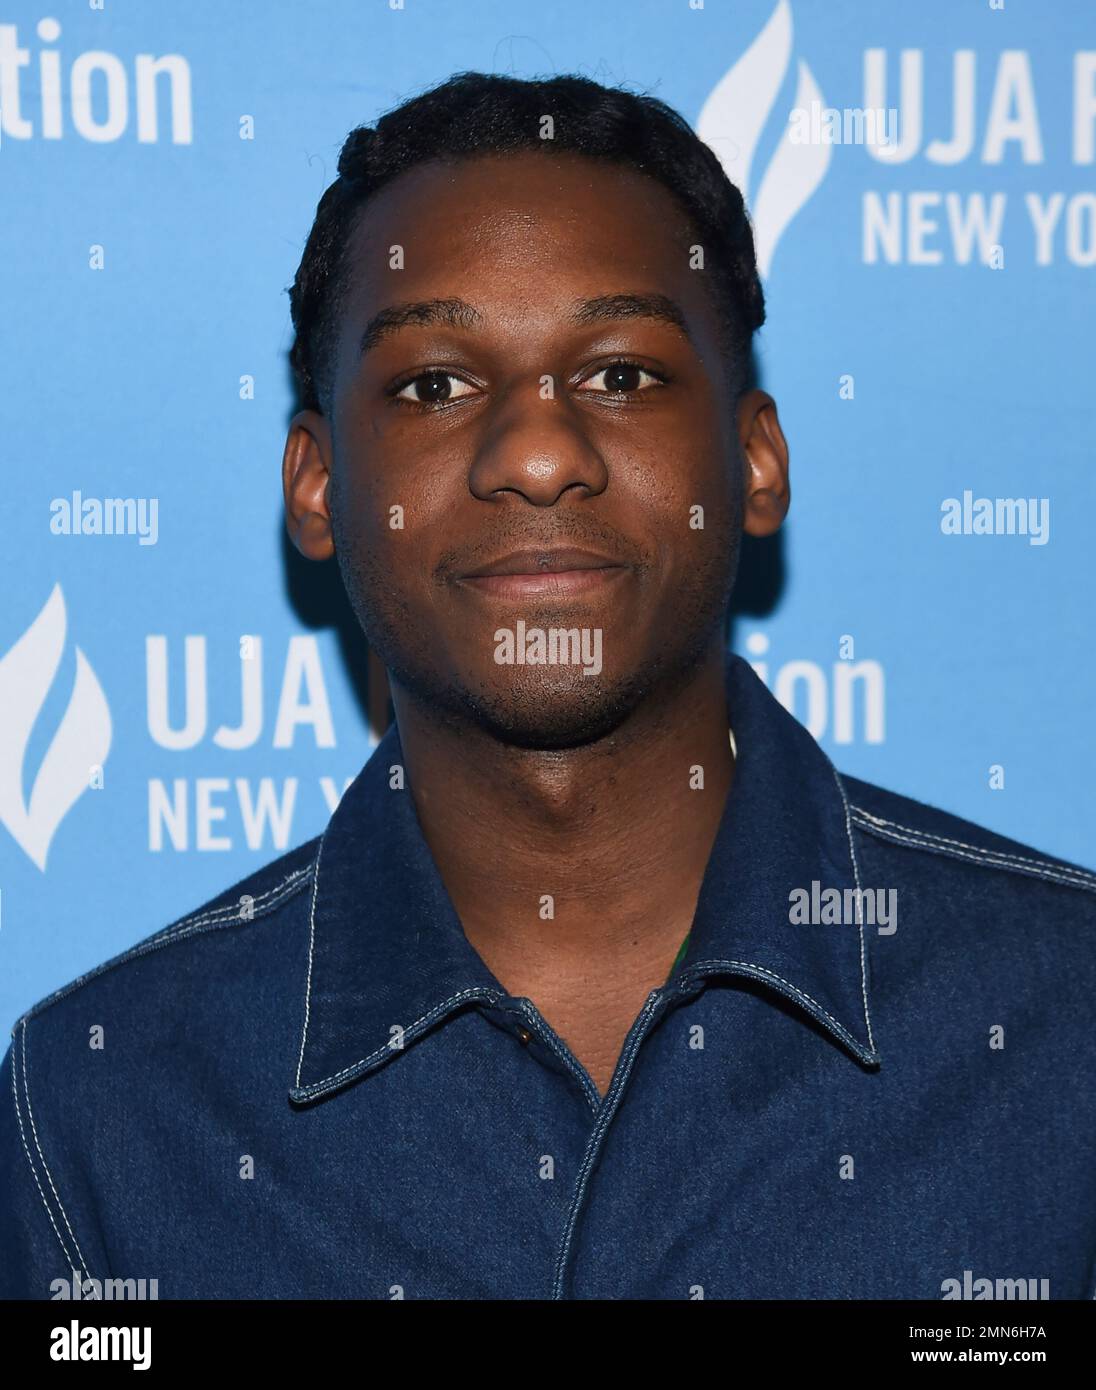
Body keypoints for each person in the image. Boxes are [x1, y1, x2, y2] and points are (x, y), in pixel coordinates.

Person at [3, 71, 1094, 1302]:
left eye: (620, 374)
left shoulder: (1064, 1021)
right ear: (316, 487)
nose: (536, 453)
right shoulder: (105, 1103)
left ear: (755, 463)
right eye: (435, 382)